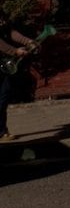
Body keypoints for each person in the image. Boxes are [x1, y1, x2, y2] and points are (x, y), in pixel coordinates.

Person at [0, 12, 39, 142]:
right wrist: (15, 51)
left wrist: (28, 41)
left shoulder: (2, 18)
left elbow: (11, 32)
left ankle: (2, 131)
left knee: (4, 96)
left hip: (2, 65)